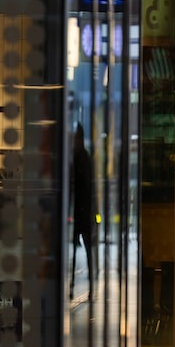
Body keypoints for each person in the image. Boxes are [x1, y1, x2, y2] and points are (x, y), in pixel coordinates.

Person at [70, 123, 98, 298]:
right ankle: (78, 287)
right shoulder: (82, 157)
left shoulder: (81, 159)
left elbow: (86, 188)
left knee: (83, 252)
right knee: (82, 252)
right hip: (81, 212)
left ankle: (89, 286)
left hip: (82, 212)